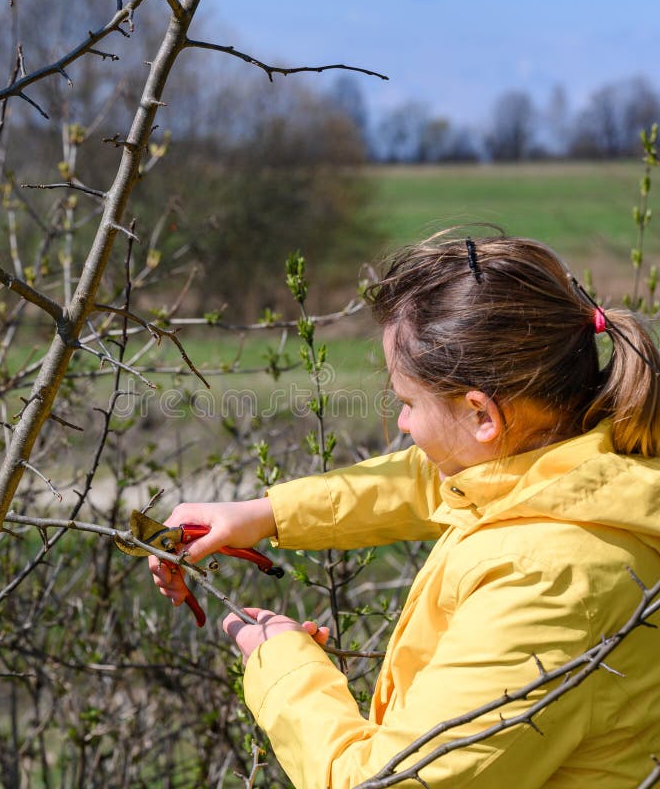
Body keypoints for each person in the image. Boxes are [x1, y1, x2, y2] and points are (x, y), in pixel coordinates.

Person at [149, 230, 660, 789]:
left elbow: (384, 783)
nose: (403, 425)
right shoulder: (595, 466)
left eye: (408, 403)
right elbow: (433, 479)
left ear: (481, 415)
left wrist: (282, 664)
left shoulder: (549, 581)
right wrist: (264, 514)